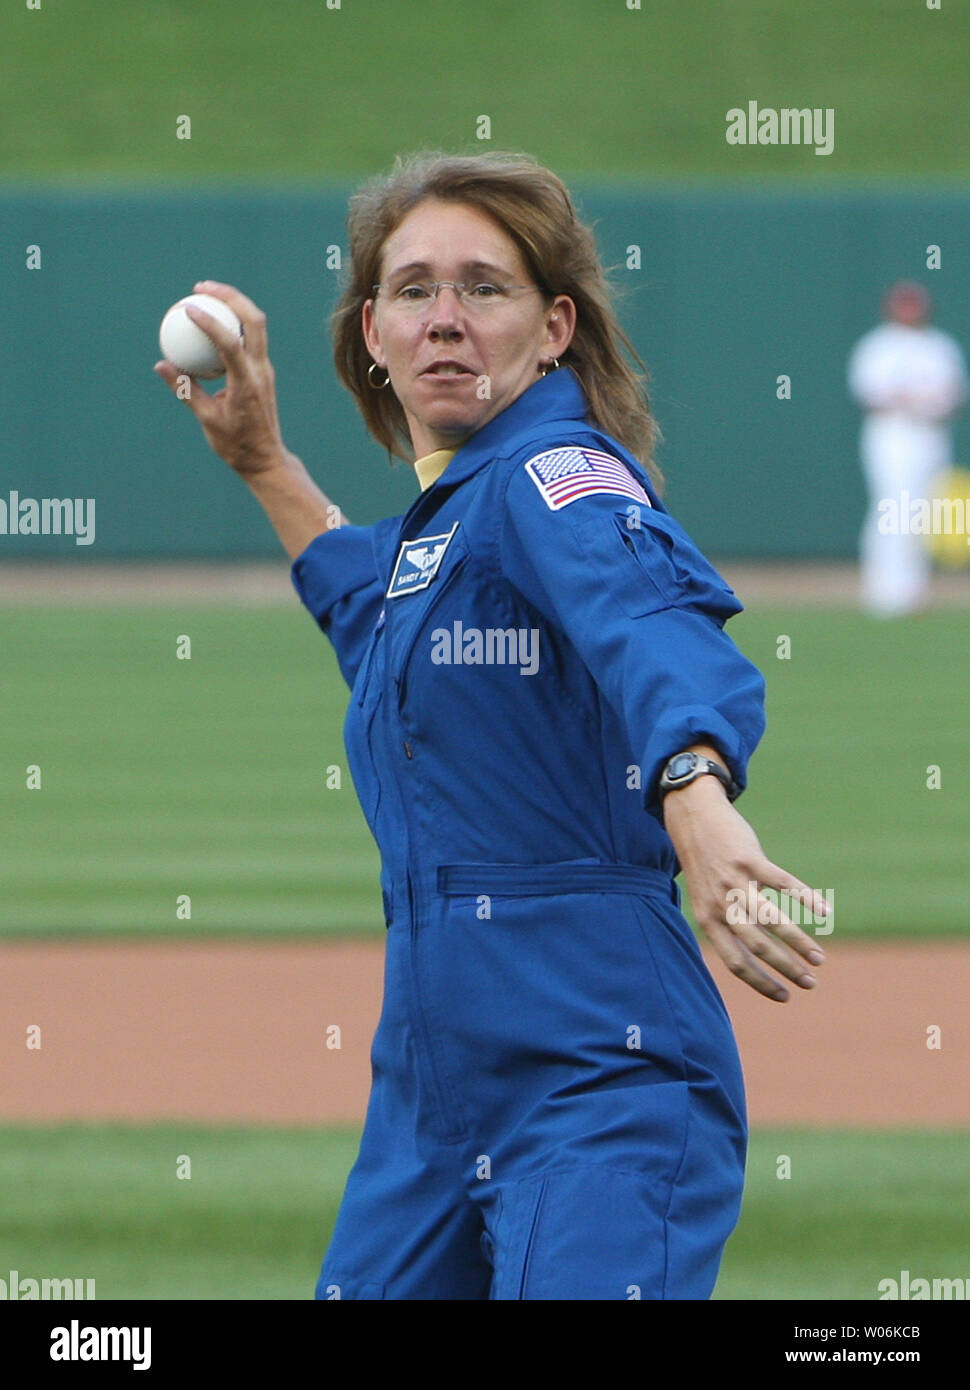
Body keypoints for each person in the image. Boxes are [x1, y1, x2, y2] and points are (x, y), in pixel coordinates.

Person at [154, 150, 828, 1301]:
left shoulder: (556, 474)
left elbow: (649, 625)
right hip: (429, 1097)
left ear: (555, 326)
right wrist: (264, 463)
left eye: (485, 287)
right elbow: (379, 609)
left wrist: (693, 788)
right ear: (372, 330)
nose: (445, 320)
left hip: (596, 1083)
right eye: (413, 291)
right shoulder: (448, 525)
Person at [848, 281, 968, 617]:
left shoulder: (940, 346)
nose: (910, 310)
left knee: (923, 512)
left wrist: (921, 399)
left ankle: (913, 589)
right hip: (893, 436)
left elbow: (952, 394)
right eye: (904, 303)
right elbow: (872, 394)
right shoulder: (878, 345)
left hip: (932, 436)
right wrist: (915, 398)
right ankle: (884, 592)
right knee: (892, 507)